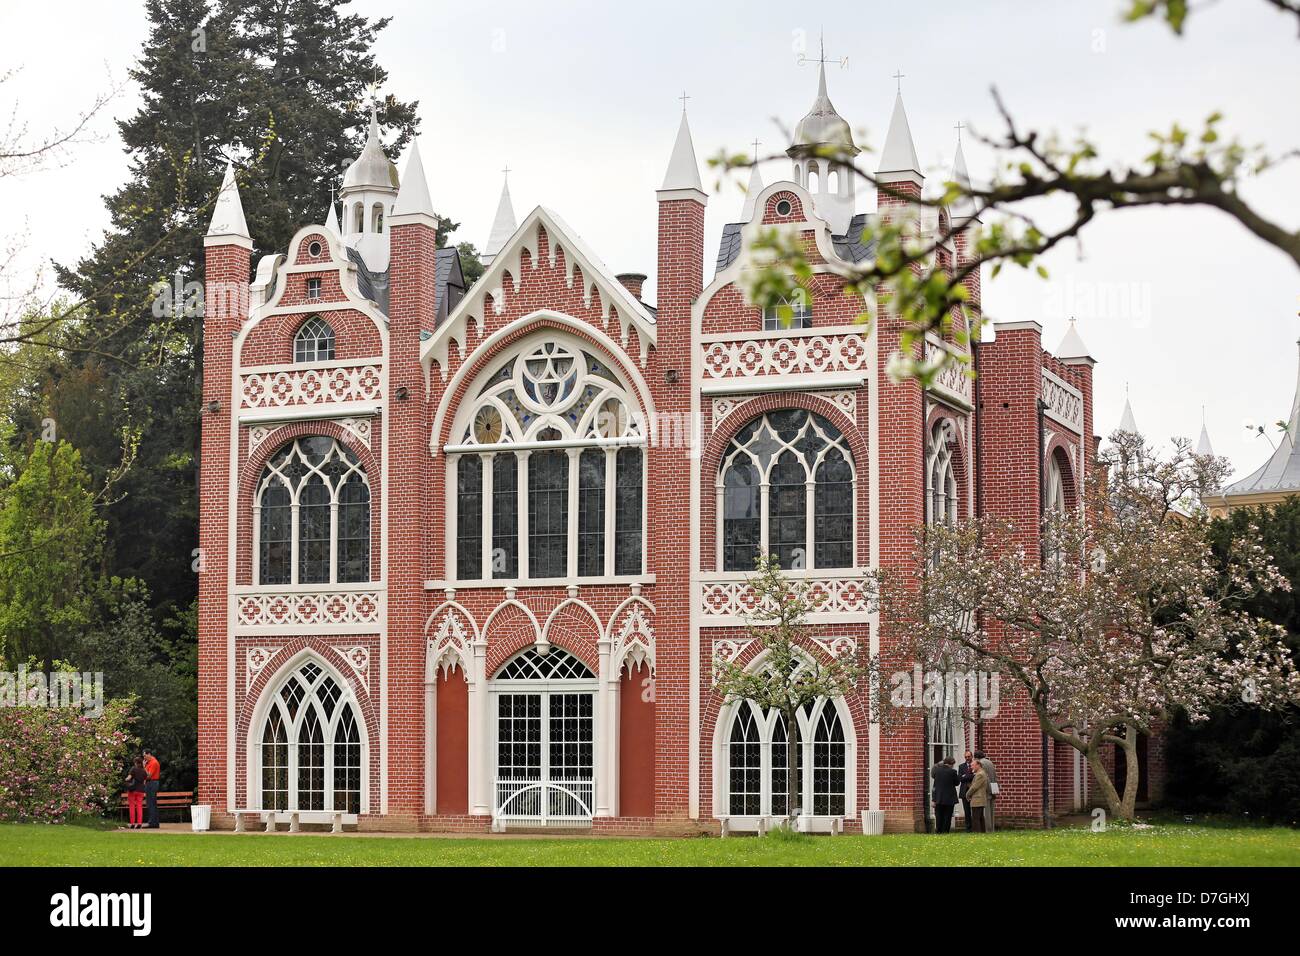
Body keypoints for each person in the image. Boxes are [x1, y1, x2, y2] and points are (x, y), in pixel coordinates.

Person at [930, 756, 960, 834]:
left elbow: (935, 786)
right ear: (951, 764)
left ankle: (938, 830)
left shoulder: (937, 771)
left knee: (939, 816)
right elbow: (957, 783)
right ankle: (945, 831)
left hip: (939, 797)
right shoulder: (953, 772)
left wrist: (933, 799)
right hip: (949, 798)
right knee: (948, 816)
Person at [975, 750, 999, 833]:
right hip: (993, 788)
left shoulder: (981, 764)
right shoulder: (990, 762)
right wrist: (995, 790)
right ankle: (991, 829)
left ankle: (987, 830)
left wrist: (989, 790)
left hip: (986, 790)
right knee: (991, 811)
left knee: (986, 812)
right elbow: (995, 777)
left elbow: (986, 778)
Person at [966, 760, 990, 832]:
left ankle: (977, 833)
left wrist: (967, 794)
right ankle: (982, 833)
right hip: (980, 798)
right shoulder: (981, 773)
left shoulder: (980, 774)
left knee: (976, 818)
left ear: (978, 765)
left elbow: (975, 787)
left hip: (977, 798)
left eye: (973, 765)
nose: (971, 767)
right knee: (980, 817)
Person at [124, 757, 146, 829]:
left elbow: (129, 778)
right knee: (139, 806)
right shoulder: (143, 771)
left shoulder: (133, 769)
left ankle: (133, 823)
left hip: (133, 790)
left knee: (132, 807)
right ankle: (139, 823)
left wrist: (126, 779)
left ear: (136, 762)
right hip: (141, 791)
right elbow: (145, 780)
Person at [142, 748, 161, 829]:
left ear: (149, 754)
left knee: (151, 803)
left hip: (152, 783)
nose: (144, 758)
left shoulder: (153, 762)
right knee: (151, 803)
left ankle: (152, 823)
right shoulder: (149, 762)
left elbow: (149, 775)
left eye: (145, 755)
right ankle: (155, 823)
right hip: (150, 783)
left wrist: (144, 766)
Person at [958, 750, 976, 831]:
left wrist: (966, 776)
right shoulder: (961, 766)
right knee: (967, 811)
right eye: (965, 757)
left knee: (975, 810)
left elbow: (974, 777)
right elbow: (960, 778)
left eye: (968, 757)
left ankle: (975, 827)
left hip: (974, 791)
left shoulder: (975, 765)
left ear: (972, 756)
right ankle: (968, 828)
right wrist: (969, 776)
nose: (967, 758)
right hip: (964, 791)